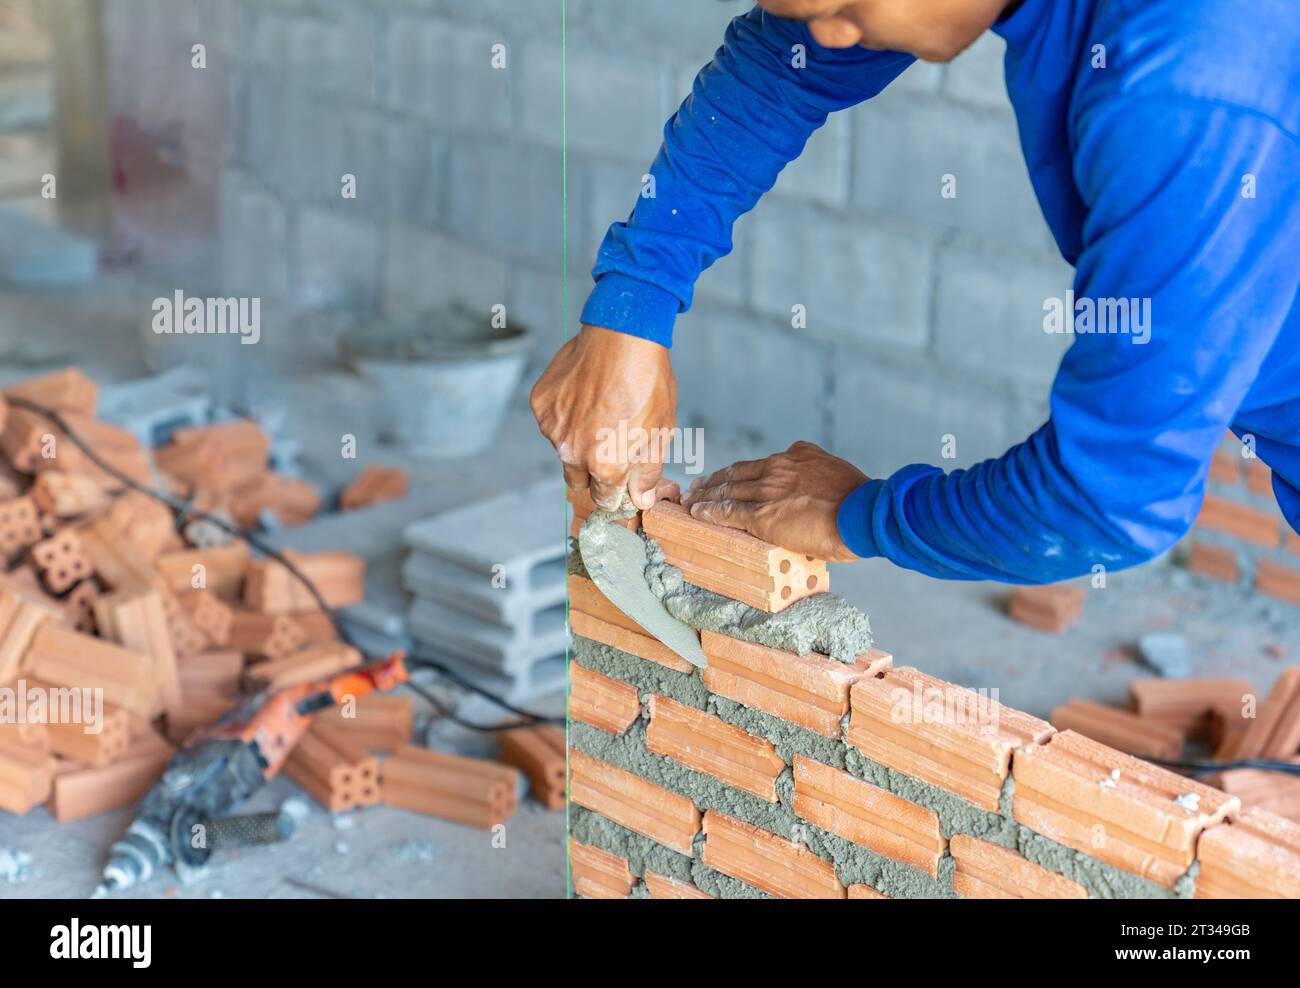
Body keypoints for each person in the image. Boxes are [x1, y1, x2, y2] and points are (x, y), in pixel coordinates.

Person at [530, 0, 1300, 583]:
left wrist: (856, 516)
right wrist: (632, 306)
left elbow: (1107, 499)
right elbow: (781, 67)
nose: (828, 33)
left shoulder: (1190, 88)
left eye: (844, 6)